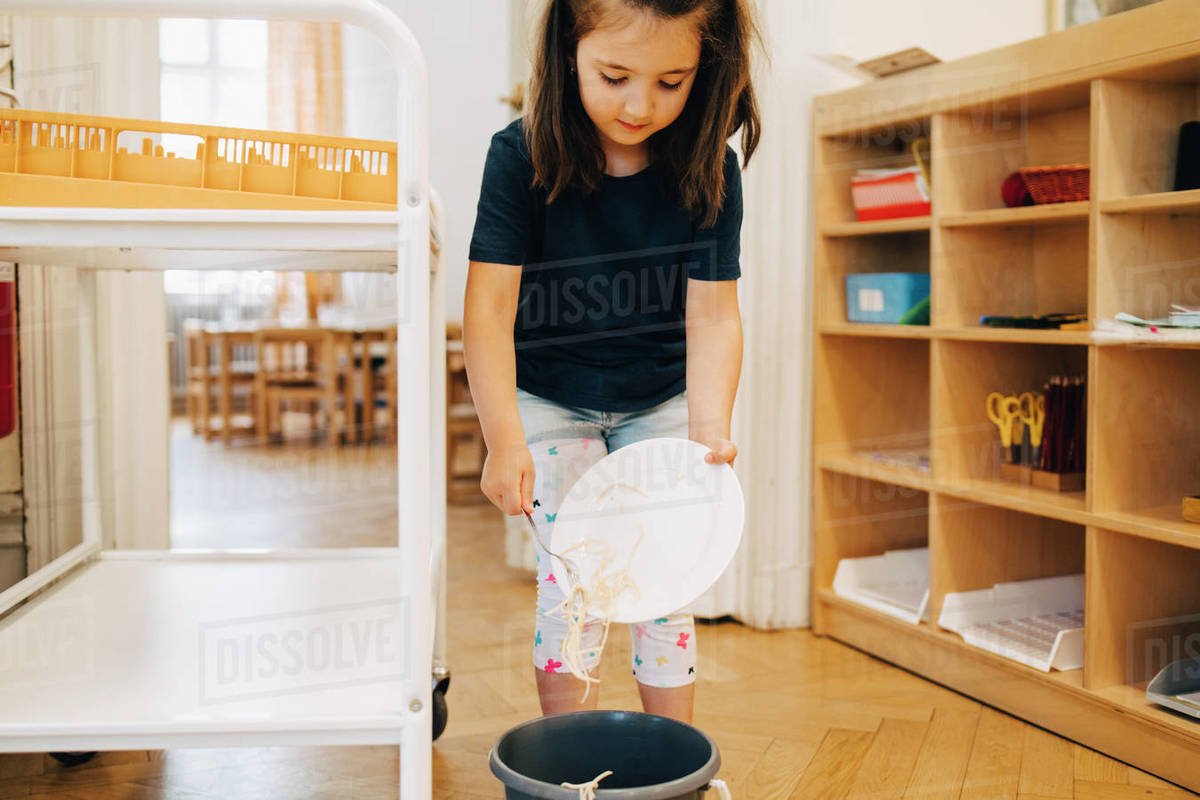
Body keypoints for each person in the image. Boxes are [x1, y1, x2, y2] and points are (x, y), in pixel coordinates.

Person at [463, 0, 760, 724]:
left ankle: (671, 763)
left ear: (707, 67)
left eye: (671, 81)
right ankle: (568, 759)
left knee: (666, 581)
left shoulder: (709, 165)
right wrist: (504, 441)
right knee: (574, 581)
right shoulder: (519, 155)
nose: (639, 105)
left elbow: (714, 315)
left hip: (656, 397)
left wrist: (707, 427)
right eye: (616, 75)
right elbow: (488, 311)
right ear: (570, 49)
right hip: (549, 395)